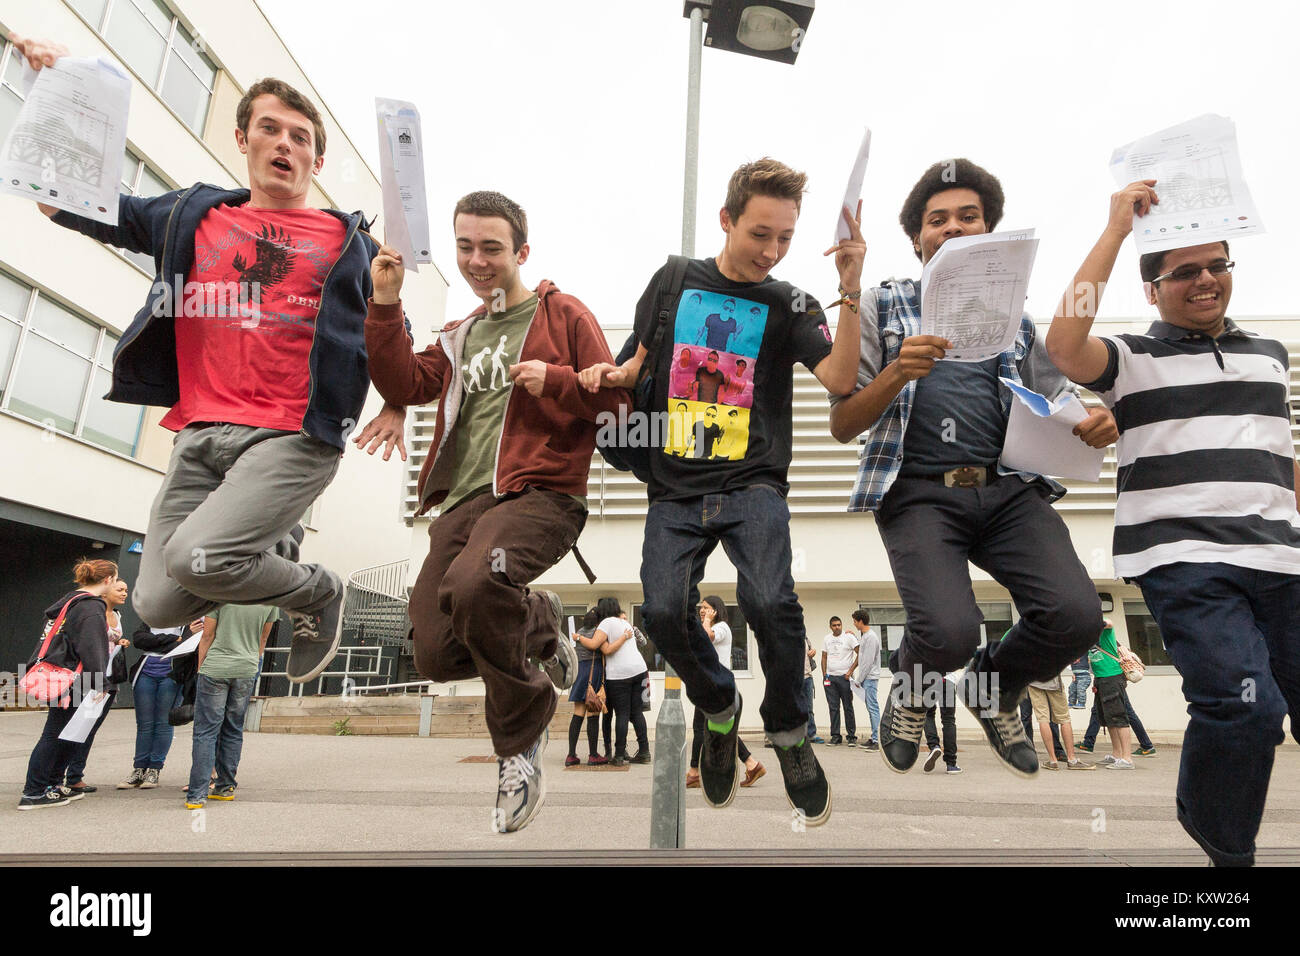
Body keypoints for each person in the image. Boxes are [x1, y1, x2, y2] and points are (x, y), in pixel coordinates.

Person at [9, 36, 407, 685]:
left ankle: (318, 590)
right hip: (199, 431)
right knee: (158, 602)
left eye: (301, 137)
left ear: (317, 157)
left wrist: (393, 400)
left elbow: (394, 335)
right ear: (242, 139)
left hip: (294, 434)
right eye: (270, 130)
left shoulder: (350, 244)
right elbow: (63, 202)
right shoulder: (190, 217)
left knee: (198, 559)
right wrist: (62, 95)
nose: (285, 144)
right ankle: (276, 548)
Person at [579, 158, 867, 825]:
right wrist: (607, 375)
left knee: (770, 600)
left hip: (752, 483)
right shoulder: (675, 278)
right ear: (727, 220)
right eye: (759, 233)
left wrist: (848, 288)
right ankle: (719, 708)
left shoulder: (792, 302)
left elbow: (842, 380)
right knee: (659, 610)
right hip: (674, 489)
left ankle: (790, 731)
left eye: (785, 238)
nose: (771, 251)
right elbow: (638, 364)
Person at [827, 158, 1115, 779]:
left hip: (1008, 494)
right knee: (951, 631)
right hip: (919, 496)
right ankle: (909, 693)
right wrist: (898, 371)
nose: (953, 228)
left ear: (988, 234)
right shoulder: (881, 306)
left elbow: (1052, 400)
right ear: (917, 239)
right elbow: (844, 422)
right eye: (938, 220)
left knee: (1077, 616)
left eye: (968, 217)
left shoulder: (1018, 321)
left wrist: (1090, 416)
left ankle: (994, 685)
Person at [1045, 178, 1299, 865]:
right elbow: (1064, 344)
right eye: (1185, 271)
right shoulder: (1131, 359)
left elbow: (1280, 454)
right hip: (1187, 561)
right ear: (1153, 289)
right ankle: (1224, 846)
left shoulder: (1269, 356)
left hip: (1283, 563)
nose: (1207, 279)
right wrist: (1115, 230)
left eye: (1218, 264)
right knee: (1246, 710)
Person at [364, 191, 627, 834]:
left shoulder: (562, 315)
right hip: (464, 505)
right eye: (465, 247)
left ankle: (519, 744)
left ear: (521, 253)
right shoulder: (458, 336)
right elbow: (402, 384)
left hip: (540, 493)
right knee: (432, 649)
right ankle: (541, 623)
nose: (477, 260)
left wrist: (559, 383)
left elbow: (618, 411)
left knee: (476, 584)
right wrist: (386, 301)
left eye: (491, 247)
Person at [18, 560, 115, 810]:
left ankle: (51, 785)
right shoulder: (91, 607)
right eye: (115, 579)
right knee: (55, 734)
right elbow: (91, 647)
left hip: (61, 675)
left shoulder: (70, 602)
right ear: (107, 580)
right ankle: (34, 790)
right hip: (76, 679)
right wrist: (100, 681)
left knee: (64, 733)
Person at [185, 604, 279, 809]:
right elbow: (263, 639)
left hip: (216, 668)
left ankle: (197, 795)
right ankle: (225, 787)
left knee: (206, 732)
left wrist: (201, 669)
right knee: (233, 728)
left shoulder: (219, 596)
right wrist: (253, 663)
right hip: (246, 668)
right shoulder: (269, 600)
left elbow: (207, 636)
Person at [58, 577, 132, 793]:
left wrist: (119, 642)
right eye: (120, 589)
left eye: (126, 590)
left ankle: (75, 776)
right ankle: (56, 775)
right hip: (88, 678)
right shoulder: (93, 613)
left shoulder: (117, 615)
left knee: (89, 728)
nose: (124, 593)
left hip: (109, 680)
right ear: (106, 591)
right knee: (70, 726)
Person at [687, 596, 764, 787]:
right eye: (701, 608)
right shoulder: (709, 627)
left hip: (715, 687)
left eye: (706, 608)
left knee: (701, 728)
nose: (702, 610)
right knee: (719, 730)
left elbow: (708, 637)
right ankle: (752, 764)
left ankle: (694, 773)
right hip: (710, 685)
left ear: (716, 610)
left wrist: (705, 621)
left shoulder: (721, 627)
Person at [119, 619, 203, 789]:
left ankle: (154, 769)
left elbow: (187, 647)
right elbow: (139, 640)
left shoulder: (189, 619)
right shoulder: (151, 616)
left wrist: (169, 642)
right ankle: (139, 768)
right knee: (144, 723)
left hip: (172, 671)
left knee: (164, 722)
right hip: (145, 669)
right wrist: (174, 639)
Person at [595, 600, 651, 767]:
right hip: (639, 669)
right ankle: (644, 751)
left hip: (619, 674)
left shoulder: (606, 622)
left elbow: (600, 646)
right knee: (636, 712)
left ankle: (619, 755)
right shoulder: (625, 622)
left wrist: (580, 637)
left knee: (622, 714)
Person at [1084, 623, 1135, 770]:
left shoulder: (1105, 631)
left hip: (1112, 677)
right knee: (1108, 719)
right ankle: (1117, 754)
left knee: (1119, 717)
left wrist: (1090, 618)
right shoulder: (1087, 637)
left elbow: (1110, 622)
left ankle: (1127, 759)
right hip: (1100, 679)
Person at [1027, 665, 1094, 770]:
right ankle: (1071, 759)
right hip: (1053, 681)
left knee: (1043, 719)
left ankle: (1053, 760)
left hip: (1033, 681)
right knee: (1064, 719)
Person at [566, 608, 609, 767]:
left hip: (580, 671)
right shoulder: (597, 632)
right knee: (593, 712)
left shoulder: (579, 631)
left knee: (578, 714)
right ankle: (593, 755)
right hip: (593, 671)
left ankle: (571, 755)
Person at [821, 616, 859, 746]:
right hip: (831, 678)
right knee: (833, 708)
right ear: (830, 626)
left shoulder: (849, 637)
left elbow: (860, 653)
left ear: (841, 625)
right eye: (834, 625)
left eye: (839, 625)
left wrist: (850, 671)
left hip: (845, 678)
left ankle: (851, 736)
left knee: (848, 707)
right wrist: (825, 674)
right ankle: (836, 736)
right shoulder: (827, 639)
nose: (837, 627)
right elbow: (824, 657)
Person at [850, 609, 880, 750]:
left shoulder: (871, 637)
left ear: (860, 621)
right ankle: (874, 737)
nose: (855, 624)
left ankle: (877, 740)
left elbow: (867, 662)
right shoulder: (865, 636)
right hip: (867, 678)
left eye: (855, 621)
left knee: (873, 708)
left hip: (869, 678)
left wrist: (859, 680)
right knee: (870, 707)